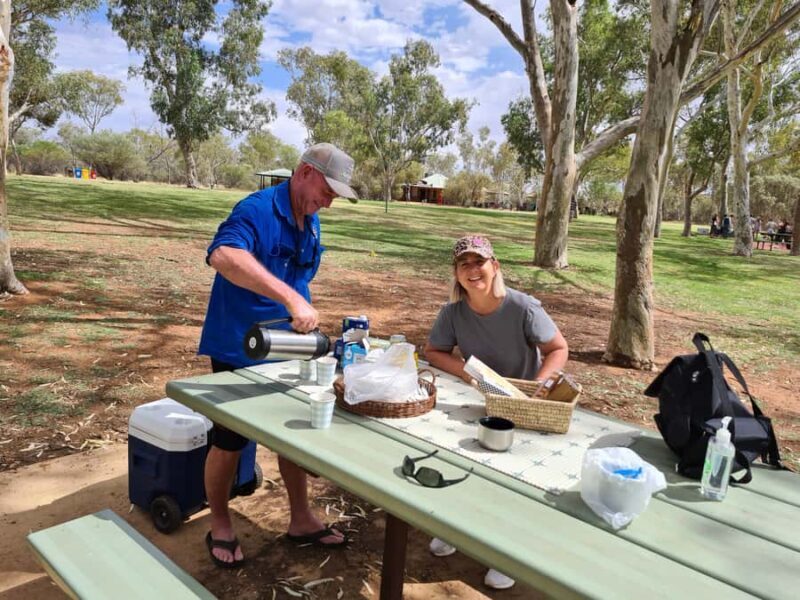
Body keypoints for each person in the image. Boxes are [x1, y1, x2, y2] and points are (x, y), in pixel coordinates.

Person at [198, 143, 358, 568]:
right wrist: (290, 299)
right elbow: (223, 256)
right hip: (239, 344)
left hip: (288, 348)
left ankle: (301, 519)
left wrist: (303, 316)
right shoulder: (256, 209)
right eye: (327, 190)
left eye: (334, 196)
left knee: (293, 433)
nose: (328, 202)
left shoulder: (312, 220)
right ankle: (220, 522)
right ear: (305, 172)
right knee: (230, 439)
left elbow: (297, 278)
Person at [423, 234, 569, 590]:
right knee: (464, 458)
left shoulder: (523, 307)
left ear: (495, 266)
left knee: (513, 475)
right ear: (456, 273)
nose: (473, 270)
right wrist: (470, 374)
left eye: (479, 262)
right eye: (464, 264)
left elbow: (558, 348)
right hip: (483, 398)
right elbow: (434, 351)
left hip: (526, 402)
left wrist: (535, 388)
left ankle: (507, 551)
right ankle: (455, 527)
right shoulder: (452, 312)